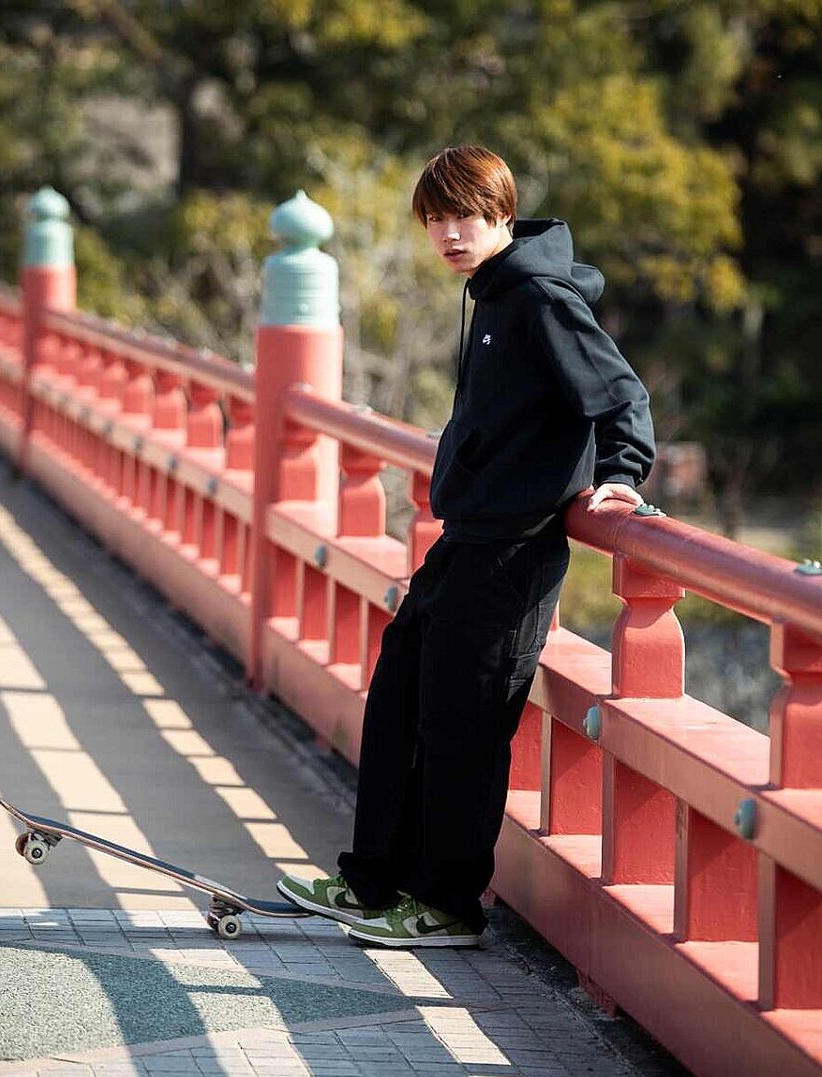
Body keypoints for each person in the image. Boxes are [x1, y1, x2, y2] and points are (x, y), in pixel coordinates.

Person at [278, 145, 655, 948]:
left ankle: (447, 905)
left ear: (502, 216)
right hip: (464, 541)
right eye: (436, 219)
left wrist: (623, 473)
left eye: (465, 217)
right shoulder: (489, 293)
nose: (449, 234)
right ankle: (373, 883)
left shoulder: (539, 299)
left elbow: (620, 393)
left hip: (512, 554)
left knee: (464, 730)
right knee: (399, 701)